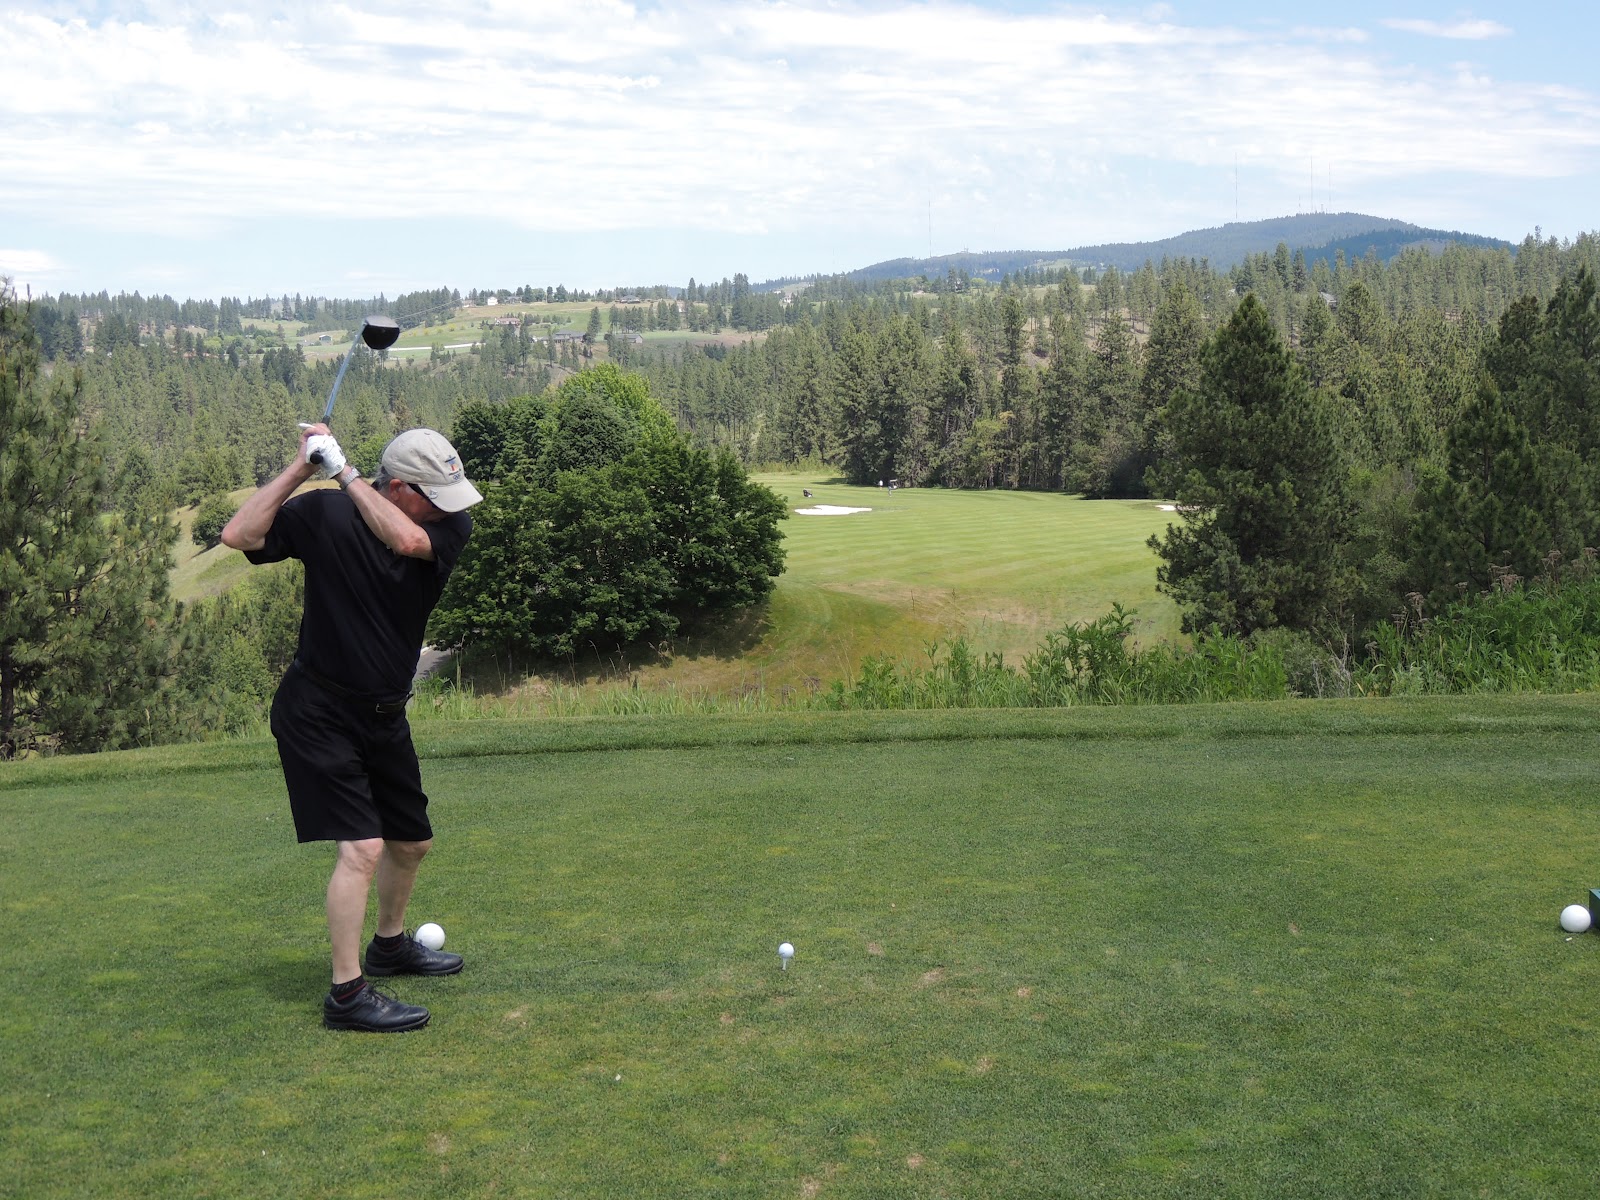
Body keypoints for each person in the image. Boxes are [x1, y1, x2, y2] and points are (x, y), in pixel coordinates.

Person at [221, 424, 483, 1032]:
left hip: (385, 712)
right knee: (363, 848)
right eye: (436, 495)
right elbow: (239, 535)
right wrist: (301, 468)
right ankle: (346, 994)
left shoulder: (447, 528)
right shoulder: (327, 515)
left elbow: (404, 538)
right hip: (318, 712)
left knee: (411, 843)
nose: (451, 508)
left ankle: (389, 946)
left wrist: (343, 471)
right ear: (400, 487)